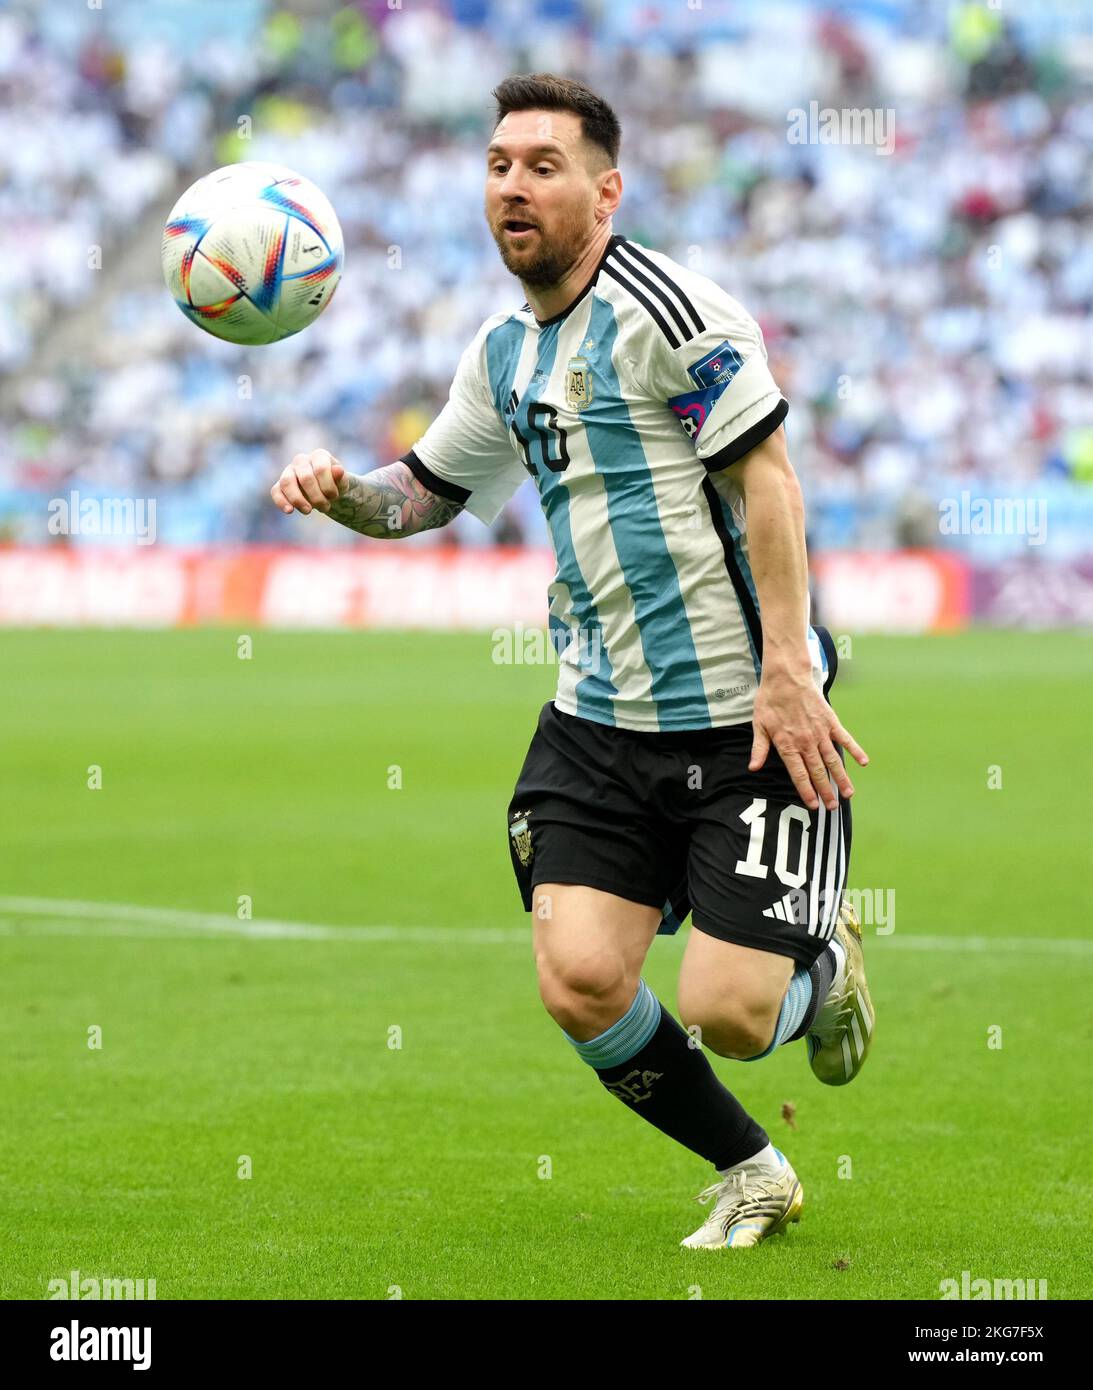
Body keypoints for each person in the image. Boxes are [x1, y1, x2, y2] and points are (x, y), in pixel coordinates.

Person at [270, 72, 874, 1250]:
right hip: (595, 724)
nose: (513, 186)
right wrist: (342, 490)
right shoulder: (501, 353)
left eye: (542, 166)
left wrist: (790, 667)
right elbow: (424, 497)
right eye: (498, 164)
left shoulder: (674, 311)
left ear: (605, 191)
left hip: (741, 715)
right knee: (581, 981)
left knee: (734, 1014)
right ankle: (751, 1168)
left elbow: (770, 479)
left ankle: (825, 949)